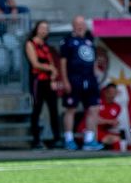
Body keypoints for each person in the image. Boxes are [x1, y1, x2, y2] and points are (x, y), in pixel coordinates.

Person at [58, 16, 104, 151]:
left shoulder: (89, 40)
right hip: (74, 79)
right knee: (71, 108)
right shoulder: (67, 41)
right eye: (78, 24)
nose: (80, 26)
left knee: (93, 108)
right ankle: (68, 139)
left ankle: (89, 140)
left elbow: (93, 59)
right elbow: (63, 62)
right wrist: (65, 80)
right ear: (73, 26)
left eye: (82, 24)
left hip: (90, 79)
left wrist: (95, 73)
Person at [25, 20, 62, 150]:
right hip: (37, 81)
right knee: (37, 109)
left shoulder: (46, 46)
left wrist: (53, 77)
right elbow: (35, 64)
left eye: (46, 28)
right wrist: (50, 68)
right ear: (36, 29)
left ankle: (57, 138)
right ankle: (36, 140)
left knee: (53, 109)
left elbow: (52, 65)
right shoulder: (30, 44)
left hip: (48, 82)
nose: (44, 30)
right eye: (42, 28)